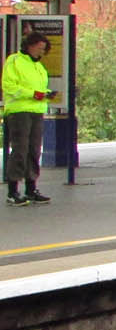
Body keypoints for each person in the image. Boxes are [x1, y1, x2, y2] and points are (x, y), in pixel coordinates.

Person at [3, 31, 56, 206]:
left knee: (34, 150)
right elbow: (9, 86)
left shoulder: (39, 67)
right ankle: (13, 191)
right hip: (19, 111)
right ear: (30, 45)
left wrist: (47, 94)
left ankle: (31, 188)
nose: (41, 52)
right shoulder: (15, 61)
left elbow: (39, 89)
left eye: (44, 49)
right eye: (40, 48)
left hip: (36, 111)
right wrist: (34, 94)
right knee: (20, 149)